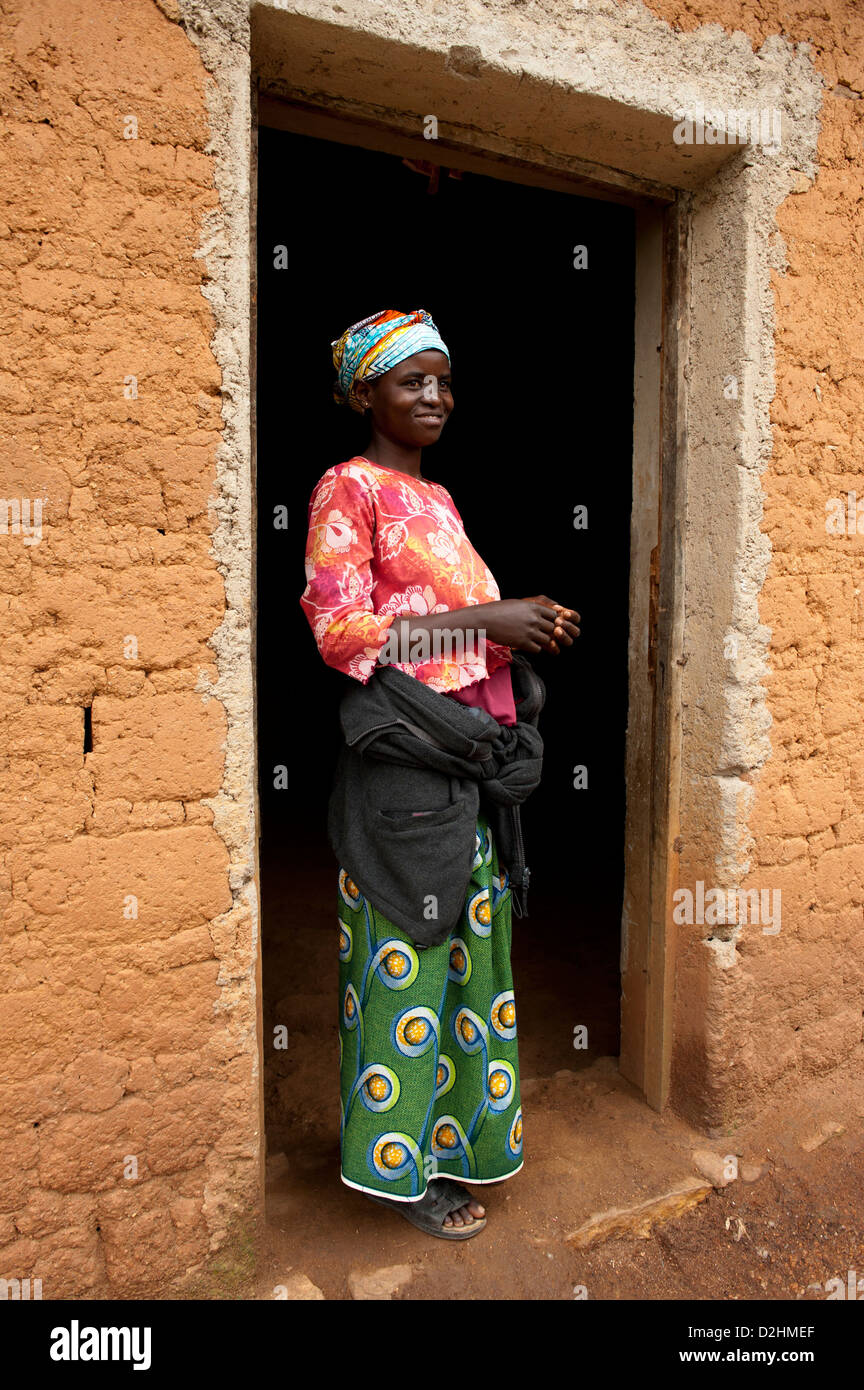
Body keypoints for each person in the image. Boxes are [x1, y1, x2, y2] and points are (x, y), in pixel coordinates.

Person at [300, 308, 580, 1238]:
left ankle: (455, 1146)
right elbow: (344, 638)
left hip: (464, 765)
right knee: (405, 961)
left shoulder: (443, 502)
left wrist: (522, 626)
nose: (434, 396)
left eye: (444, 381)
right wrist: (490, 622)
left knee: (466, 963)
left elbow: (453, 641)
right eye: (411, 380)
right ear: (365, 394)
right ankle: (396, 1169)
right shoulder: (348, 489)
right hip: (405, 773)